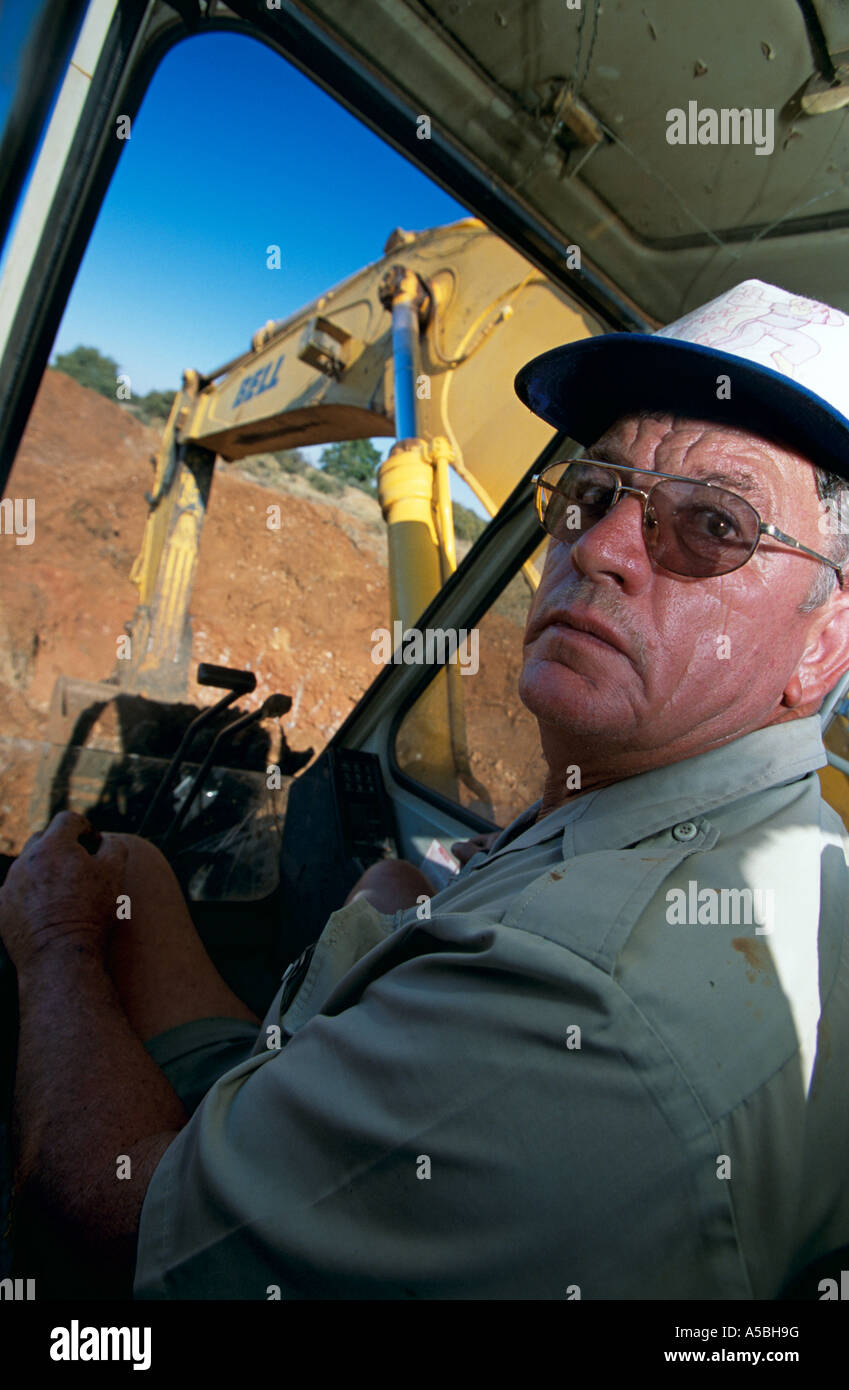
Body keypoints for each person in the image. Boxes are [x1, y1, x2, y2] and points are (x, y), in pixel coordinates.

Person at [3, 277, 849, 1300]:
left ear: (823, 644)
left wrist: (54, 943)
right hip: (269, 1136)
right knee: (133, 869)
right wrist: (405, 906)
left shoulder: (589, 1003)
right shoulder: (728, 835)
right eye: (591, 493)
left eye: (714, 524)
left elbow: (113, 1238)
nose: (601, 546)